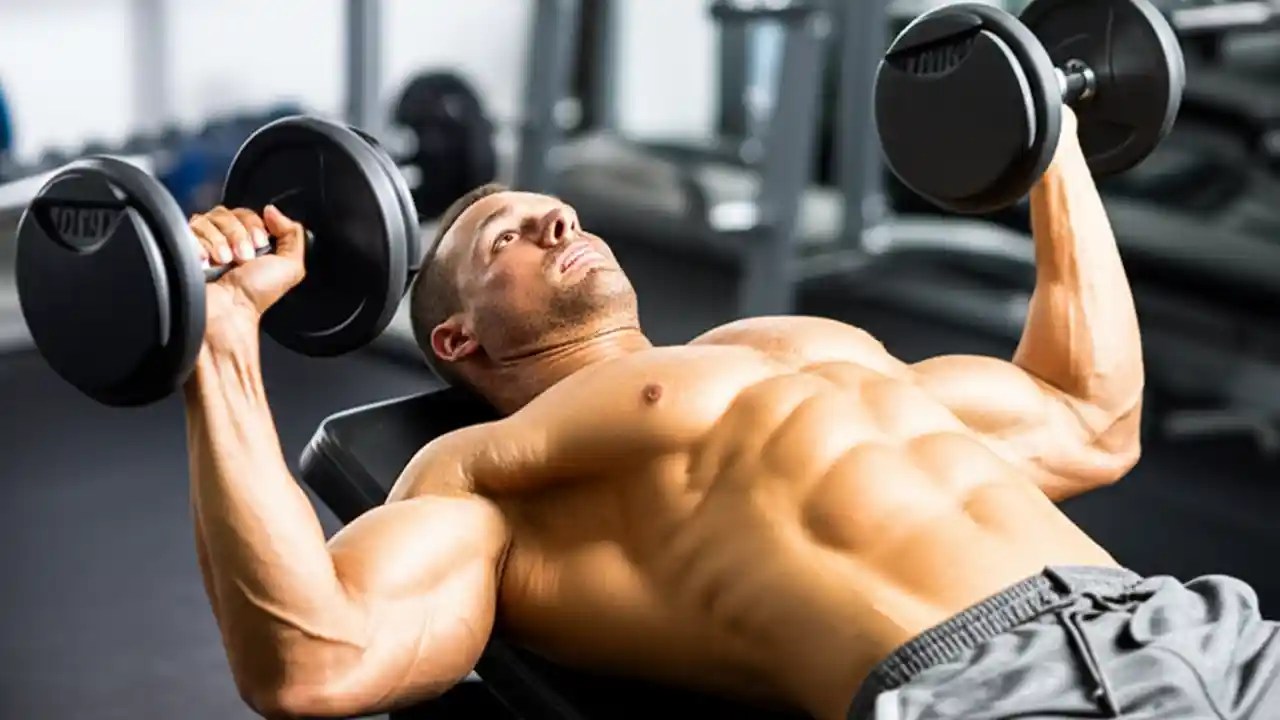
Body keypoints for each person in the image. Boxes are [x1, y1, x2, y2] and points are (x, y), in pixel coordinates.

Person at [182, 109, 1280, 720]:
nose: (557, 220)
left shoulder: (798, 347)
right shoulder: (488, 470)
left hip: (1193, 625)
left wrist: (1049, 140)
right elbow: (314, 660)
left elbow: (1087, 416)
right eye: (505, 237)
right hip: (989, 692)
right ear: (459, 339)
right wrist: (220, 340)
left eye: (552, 208)